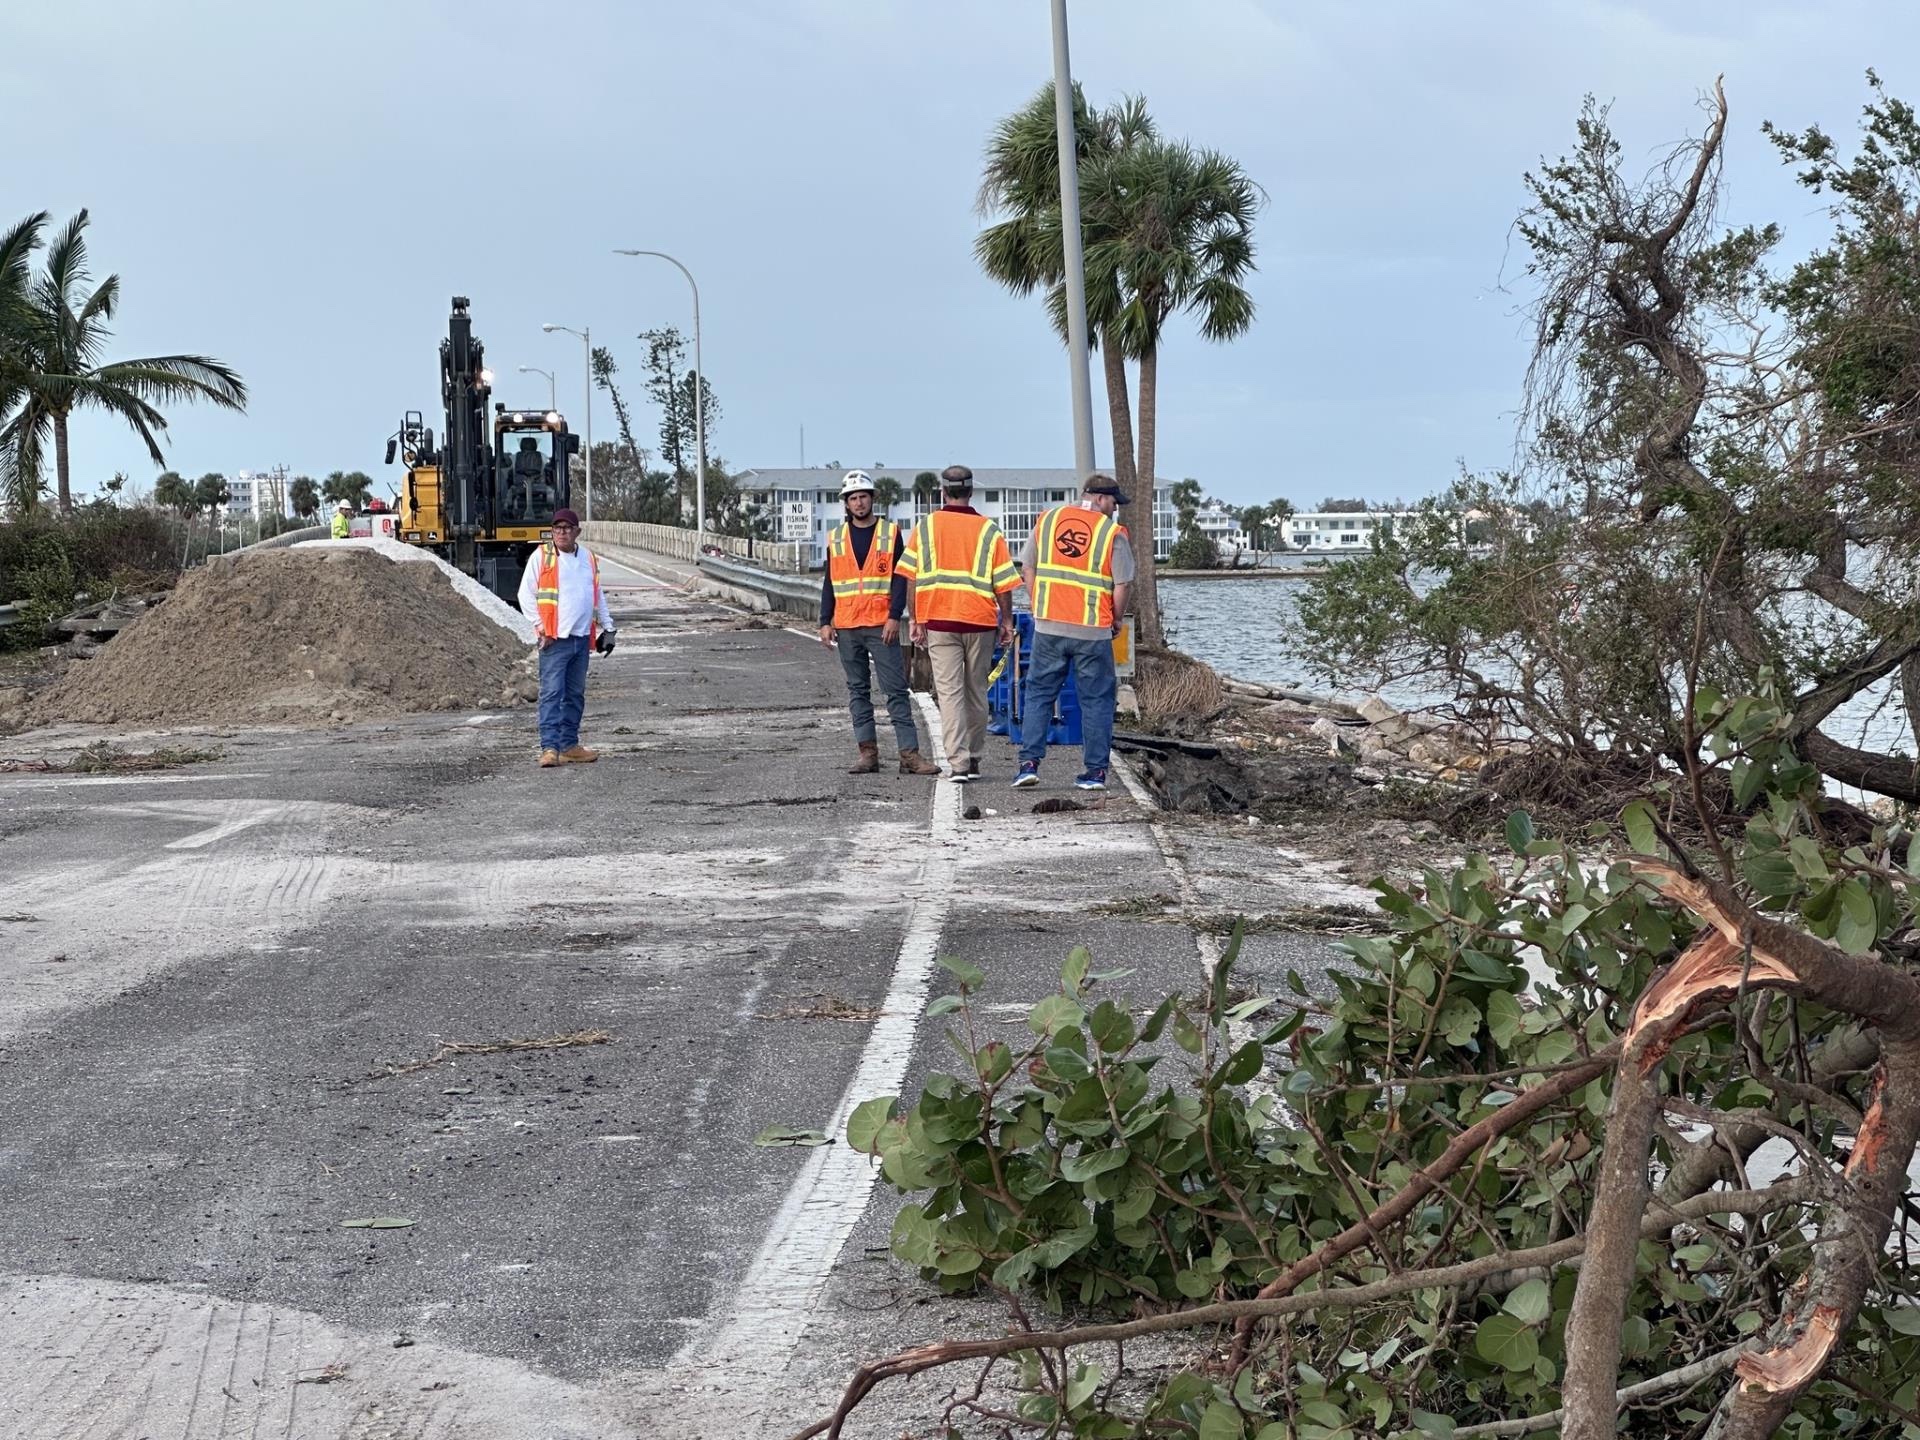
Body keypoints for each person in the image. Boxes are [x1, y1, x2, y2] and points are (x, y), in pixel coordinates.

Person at [1011, 474, 1134, 792]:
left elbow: (1028, 568)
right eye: (1113, 502)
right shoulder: (1111, 533)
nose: (1115, 509)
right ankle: (1095, 773)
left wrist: (1039, 604)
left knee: (1038, 693)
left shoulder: (1049, 521)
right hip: (1092, 630)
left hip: (1049, 626)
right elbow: (1122, 585)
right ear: (1099, 498)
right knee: (1095, 700)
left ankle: (1028, 765)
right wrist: (1116, 619)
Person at [898, 464, 1019, 783]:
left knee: (950, 693)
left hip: (939, 620)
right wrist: (1006, 622)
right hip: (979, 621)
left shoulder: (926, 527)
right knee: (977, 691)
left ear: (943, 492)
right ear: (970, 492)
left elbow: (911, 577)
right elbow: (1003, 582)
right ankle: (975, 757)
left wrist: (915, 619)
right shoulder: (989, 530)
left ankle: (959, 763)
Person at [819, 471, 940, 776]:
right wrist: (824, 621)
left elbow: (900, 579)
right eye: (853, 498)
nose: (859, 503)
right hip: (846, 625)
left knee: (896, 689)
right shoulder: (836, 538)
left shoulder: (890, 533)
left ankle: (909, 755)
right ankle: (867, 754)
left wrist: (893, 617)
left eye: (863, 497)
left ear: (872, 499)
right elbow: (829, 583)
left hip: (880, 624)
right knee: (857, 690)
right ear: (846, 504)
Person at [515, 508, 616, 768]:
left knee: (574, 695)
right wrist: (540, 627)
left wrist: (609, 627)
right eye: (557, 528)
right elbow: (525, 595)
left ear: (577, 532)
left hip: (581, 639)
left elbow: (597, 594)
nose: (561, 532)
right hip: (554, 640)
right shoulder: (543, 556)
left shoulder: (588, 559)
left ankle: (569, 745)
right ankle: (549, 748)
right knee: (551, 694)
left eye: (567, 528)